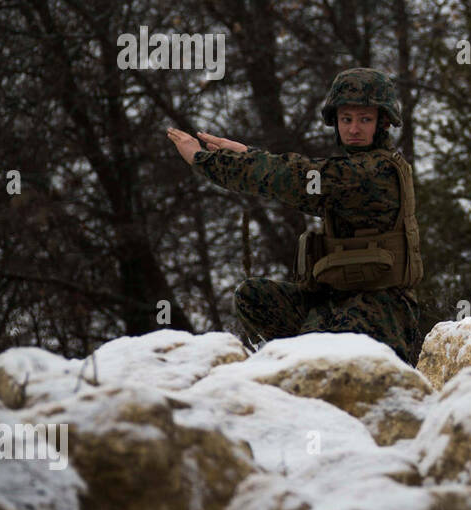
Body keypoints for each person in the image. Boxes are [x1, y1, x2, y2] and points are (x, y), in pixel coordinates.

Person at [166, 68, 423, 365]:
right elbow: (297, 178)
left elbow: (295, 178)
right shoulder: (354, 169)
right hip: (335, 301)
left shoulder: (371, 173)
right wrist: (246, 153)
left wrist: (206, 161)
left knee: (315, 357)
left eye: (365, 119)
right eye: (346, 119)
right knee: (254, 296)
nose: (353, 129)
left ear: (383, 123)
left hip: (379, 311)